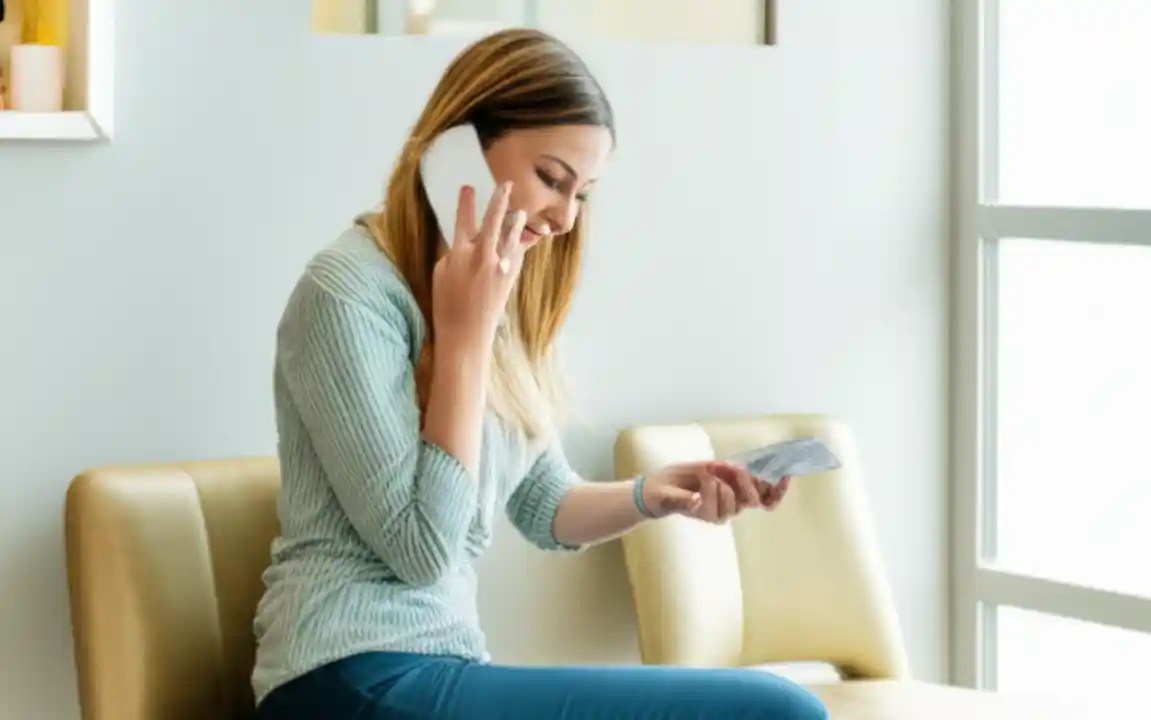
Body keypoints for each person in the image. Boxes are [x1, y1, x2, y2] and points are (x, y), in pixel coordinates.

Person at [251, 28, 828, 720]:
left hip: (444, 663)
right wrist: (464, 337)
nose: (562, 218)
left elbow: (546, 506)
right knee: (777, 712)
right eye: (551, 179)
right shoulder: (347, 294)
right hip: (343, 677)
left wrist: (658, 492)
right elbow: (420, 549)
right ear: (455, 149)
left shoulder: (492, 299)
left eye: (582, 194)